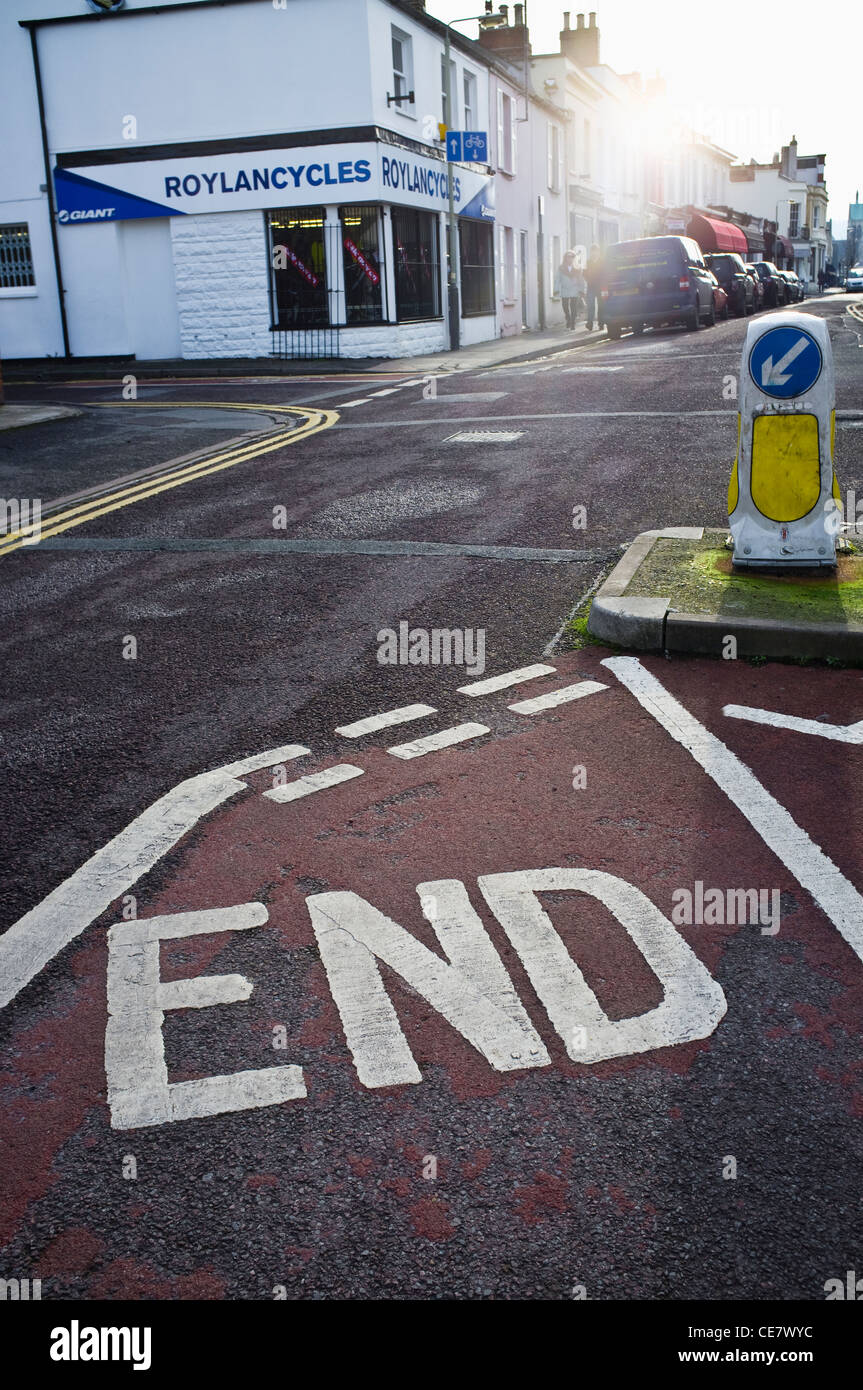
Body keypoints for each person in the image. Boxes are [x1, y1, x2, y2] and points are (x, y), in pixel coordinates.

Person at [554, 250, 585, 329]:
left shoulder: (578, 268)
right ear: (565, 258)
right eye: (568, 257)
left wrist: (582, 290)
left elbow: (581, 280)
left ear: (574, 258)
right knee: (565, 306)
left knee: (573, 307)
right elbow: (557, 279)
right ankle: (568, 318)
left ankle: (572, 322)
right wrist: (556, 289)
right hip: (565, 289)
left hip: (574, 289)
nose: (570, 259)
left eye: (572, 257)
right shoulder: (561, 268)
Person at [585, 244, 604, 331]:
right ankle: (590, 323)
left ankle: (601, 323)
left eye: (596, 251)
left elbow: (606, 273)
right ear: (591, 252)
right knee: (591, 306)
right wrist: (588, 279)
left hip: (600, 287)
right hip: (591, 287)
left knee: (601, 305)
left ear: (599, 252)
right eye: (592, 251)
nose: (594, 253)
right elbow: (584, 273)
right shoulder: (588, 262)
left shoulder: (602, 261)